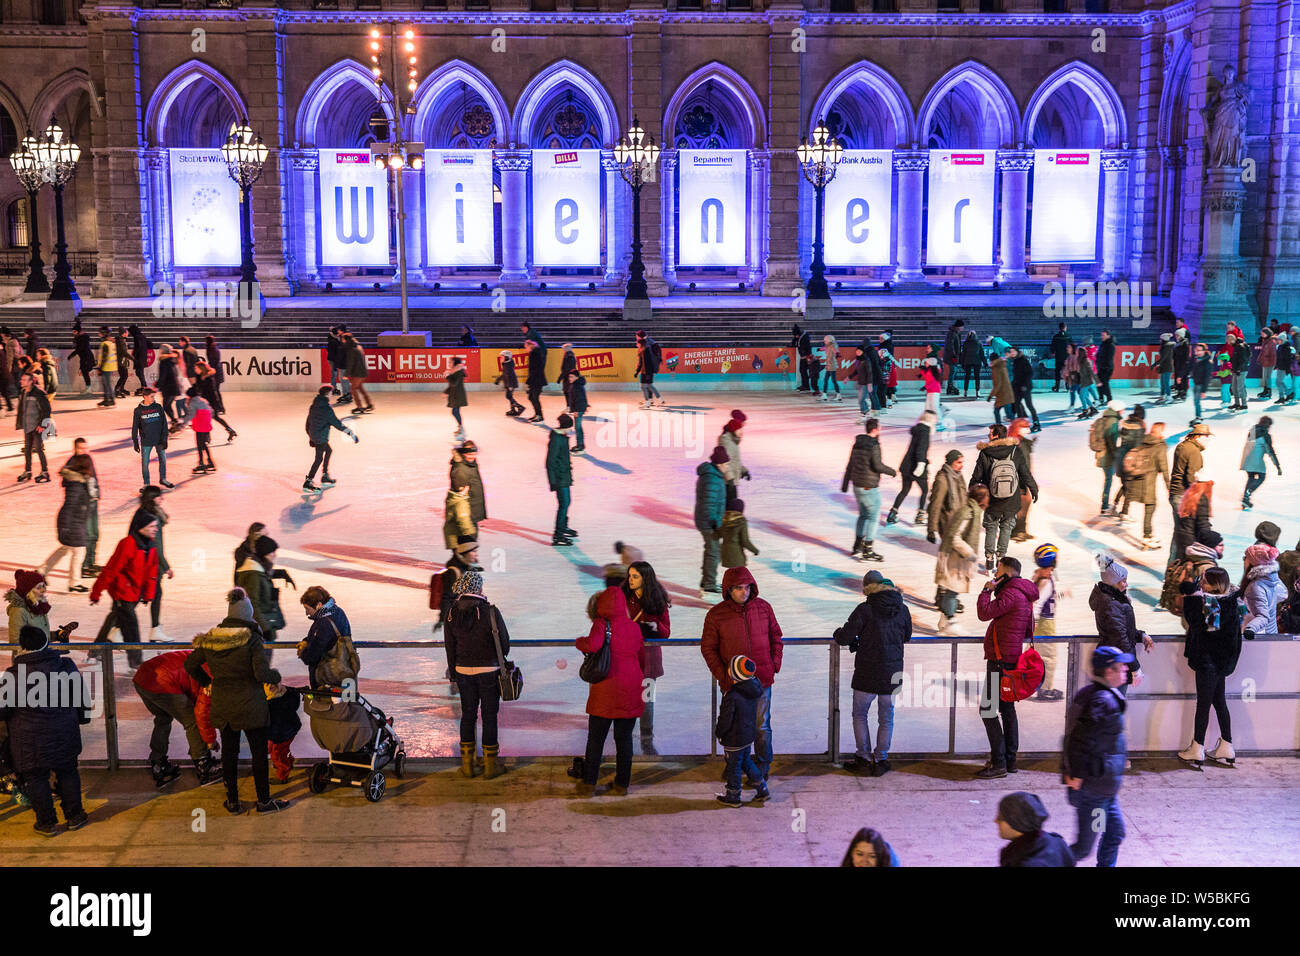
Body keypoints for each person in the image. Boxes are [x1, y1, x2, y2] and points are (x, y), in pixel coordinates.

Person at [185, 589, 289, 814]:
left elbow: (190, 664)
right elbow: (261, 674)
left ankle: (232, 802)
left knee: (229, 755)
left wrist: (207, 683)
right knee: (258, 754)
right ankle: (263, 801)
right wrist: (277, 678)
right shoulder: (251, 639)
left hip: (224, 704)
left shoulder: (212, 638)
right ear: (247, 616)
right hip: (251, 704)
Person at [0, 626, 93, 835]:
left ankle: (46, 822)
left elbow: (2, 709)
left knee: (36, 778)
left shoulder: (13, 674)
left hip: (28, 739)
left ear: (22, 647)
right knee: (67, 771)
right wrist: (83, 717)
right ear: (46, 643)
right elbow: (80, 696)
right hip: (63, 732)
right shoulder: (66, 666)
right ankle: (75, 815)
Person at [701, 566, 782, 792]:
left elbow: (776, 636)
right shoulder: (716, 615)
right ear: (728, 589)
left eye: (747, 587)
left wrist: (774, 664)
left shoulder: (763, 608)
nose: (744, 592)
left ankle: (762, 766)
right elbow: (709, 649)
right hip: (734, 685)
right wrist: (725, 677)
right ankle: (735, 766)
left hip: (762, 680)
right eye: (738, 588)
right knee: (735, 727)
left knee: (761, 726)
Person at [834, 570, 911, 776]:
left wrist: (840, 634)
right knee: (886, 718)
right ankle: (881, 760)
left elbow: (844, 637)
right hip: (892, 673)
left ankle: (863, 757)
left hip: (867, 672)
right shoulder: (902, 608)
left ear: (867, 588)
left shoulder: (865, 609)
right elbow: (907, 636)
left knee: (860, 715)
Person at [1063, 645, 1132, 867]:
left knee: (1115, 833)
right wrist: (1075, 774)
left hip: (1104, 789)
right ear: (1108, 671)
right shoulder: (1104, 702)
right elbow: (1079, 741)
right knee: (1083, 848)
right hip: (1095, 790)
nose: (1125, 670)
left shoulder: (1094, 695)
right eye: (1121, 666)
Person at [574, 581, 645, 796]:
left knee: (596, 739)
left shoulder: (601, 624)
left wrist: (579, 642)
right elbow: (641, 657)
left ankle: (588, 785)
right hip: (631, 688)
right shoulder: (634, 626)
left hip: (605, 690)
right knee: (624, 740)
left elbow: (593, 645)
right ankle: (622, 785)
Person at [974, 556, 1038, 778]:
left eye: (997, 571)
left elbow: (984, 613)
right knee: (1007, 710)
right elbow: (1029, 629)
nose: (994, 576)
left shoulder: (1010, 594)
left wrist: (986, 590)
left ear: (1007, 574)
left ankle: (999, 762)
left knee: (988, 710)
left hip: (1000, 662)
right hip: (1012, 660)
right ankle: (1010, 761)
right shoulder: (1023, 595)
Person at [443, 570, 509, 780]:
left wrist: (454, 673)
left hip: (463, 673)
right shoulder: (491, 611)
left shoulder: (452, 613)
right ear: (478, 588)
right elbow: (505, 646)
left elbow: (449, 647)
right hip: (489, 672)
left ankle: (468, 766)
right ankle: (491, 767)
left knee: (468, 716)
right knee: (489, 717)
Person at [1178, 566, 1243, 769]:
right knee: (1219, 702)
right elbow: (1239, 626)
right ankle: (1226, 744)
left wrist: (1190, 598)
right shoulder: (1233, 601)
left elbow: (1197, 625)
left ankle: (1197, 748)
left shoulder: (1209, 603)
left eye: (1204, 580)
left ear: (1213, 584)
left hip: (1208, 662)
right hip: (1222, 662)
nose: (1201, 583)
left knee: (1204, 705)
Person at [131, 649, 220, 787]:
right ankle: (204, 766)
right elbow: (201, 712)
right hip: (162, 681)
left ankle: (159, 764)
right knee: (192, 721)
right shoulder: (213, 674)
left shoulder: (205, 657)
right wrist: (210, 740)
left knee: (163, 718)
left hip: (143, 678)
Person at [90, 512, 160, 669]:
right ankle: (136, 661)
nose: (156, 529)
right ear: (142, 528)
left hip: (135, 592)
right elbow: (111, 569)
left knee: (115, 620)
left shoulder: (151, 546)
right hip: (122, 592)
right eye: (152, 526)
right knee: (131, 627)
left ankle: (96, 650)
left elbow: (152, 572)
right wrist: (97, 591)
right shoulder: (128, 544)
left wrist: (148, 594)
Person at [969, 422, 1037, 571]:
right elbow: (1024, 473)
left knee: (991, 528)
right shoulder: (1015, 451)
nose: (988, 436)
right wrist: (1033, 488)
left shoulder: (985, 453)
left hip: (991, 500)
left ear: (996, 435)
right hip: (1011, 498)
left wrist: (972, 493)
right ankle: (1001, 557)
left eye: (990, 433)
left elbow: (977, 477)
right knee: (1006, 528)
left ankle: (989, 558)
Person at [622, 560, 670, 750]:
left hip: (649, 662)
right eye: (630, 576)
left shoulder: (657, 600)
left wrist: (653, 627)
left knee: (647, 701)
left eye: (635, 576)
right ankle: (624, 736)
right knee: (625, 699)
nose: (630, 580)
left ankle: (646, 739)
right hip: (626, 660)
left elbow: (666, 632)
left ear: (645, 578)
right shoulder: (624, 598)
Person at [1090, 553, 1153, 694]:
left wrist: (1141, 636)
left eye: (1126, 580)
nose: (1126, 584)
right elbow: (1119, 638)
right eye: (1122, 581)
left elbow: (1123, 629)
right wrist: (1135, 668)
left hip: (1117, 661)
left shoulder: (1116, 600)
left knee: (1114, 704)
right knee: (1112, 705)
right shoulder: (1110, 604)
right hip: (1114, 665)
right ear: (1112, 582)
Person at [38, 454, 94, 594]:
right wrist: (66, 527)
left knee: (66, 548)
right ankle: (74, 582)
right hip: (71, 522)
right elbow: (70, 506)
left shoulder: (80, 481)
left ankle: (41, 572)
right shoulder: (76, 484)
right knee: (79, 551)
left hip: (74, 521)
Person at [842, 418, 896, 562]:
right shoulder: (874, 445)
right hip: (869, 486)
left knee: (863, 515)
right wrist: (892, 471)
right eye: (879, 428)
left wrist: (845, 483)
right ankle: (868, 550)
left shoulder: (857, 443)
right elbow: (877, 466)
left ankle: (857, 546)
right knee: (873, 517)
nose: (880, 430)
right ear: (874, 429)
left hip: (857, 485)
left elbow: (850, 464)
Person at [935, 483, 986, 635]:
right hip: (954, 558)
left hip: (956, 557)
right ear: (981, 498)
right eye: (987, 496)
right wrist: (969, 553)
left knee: (952, 588)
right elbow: (954, 536)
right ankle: (950, 621)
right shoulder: (968, 512)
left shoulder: (972, 510)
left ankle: (945, 620)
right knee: (952, 588)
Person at [715, 655, 763, 807]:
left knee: (733, 766)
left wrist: (719, 733)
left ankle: (733, 796)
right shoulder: (753, 690)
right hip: (748, 735)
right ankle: (762, 788)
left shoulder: (732, 695)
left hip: (734, 738)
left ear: (733, 674)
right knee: (746, 761)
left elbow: (725, 719)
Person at [234, 535, 294, 652]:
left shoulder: (258, 569)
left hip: (261, 627)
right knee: (260, 666)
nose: (275, 555)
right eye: (272, 552)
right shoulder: (253, 574)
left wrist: (282, 573)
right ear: (264, 554)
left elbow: (264, 575)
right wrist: (265, 630)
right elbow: (252, 604)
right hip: (257, 632)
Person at [1119, 419, 1170, 549]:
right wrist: (1169, 486)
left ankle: (1126, 515)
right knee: (1150, 506)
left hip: (1137, 478)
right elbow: (1163, 467)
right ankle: (1147, 536)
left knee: (1147, 506)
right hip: (1148, 481)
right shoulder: (1160, 445)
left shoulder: (1143, 440)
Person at [296, 585, 356, 689]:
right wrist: (307, 640)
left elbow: (312, 656)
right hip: (345, 670)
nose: (306, 613)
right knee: (346, 702)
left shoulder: (323, 623)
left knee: (328, 704)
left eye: (307, 608)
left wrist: (303, 651)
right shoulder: (337, 611)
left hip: (328, 678)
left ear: (319, 605)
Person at [996, 791, 1074, 867]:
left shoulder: (1026, 862)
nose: (995, 821)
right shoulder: (1057, 842)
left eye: (1000, 818)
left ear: (1015, 822)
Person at [303, 385, 358, 491]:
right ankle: (308, 481)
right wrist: (350, 433)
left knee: (328, 451)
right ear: (327, 394)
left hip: (315, 435)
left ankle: (324, 475)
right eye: (331, 392)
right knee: (319, 458)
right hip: (321, 437)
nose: (332, 394)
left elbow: (308, 422)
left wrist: (310, 437)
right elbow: (337, 424)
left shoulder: (313, 405)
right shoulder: (327, 409)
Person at [1030, 544, 1065, 701]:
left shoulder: (1040, 577)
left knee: (1033, 654)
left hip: (1041, 622)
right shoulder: (1045, 581)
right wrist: (1034, 621)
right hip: (1044, 624)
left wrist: (1060, 594)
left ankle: (1024, 681)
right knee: (1048, 656)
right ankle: (1045, 689)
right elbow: (1037, 603)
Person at [887, 410, 934, 526]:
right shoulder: (925, 432)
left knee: (905, 490)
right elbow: (920, 450)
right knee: (925, 491)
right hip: (916, 467)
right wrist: (922, 464)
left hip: (906, 466)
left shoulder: (917, 430)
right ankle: (920, 517)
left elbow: (915, 449)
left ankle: (892, 513)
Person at [694, 445, 729, 593]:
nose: (727, 467)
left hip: (707, 520)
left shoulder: (713, 475)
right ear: (720, 464)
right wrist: (714, 521)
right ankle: (709, 584)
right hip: (709, 522)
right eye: (726, 464)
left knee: (711, 550)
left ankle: (706, 581)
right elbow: (708, 502)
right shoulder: (712, 479)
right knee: (714, 552)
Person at [65, 439, 101, 579]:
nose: (84, 451)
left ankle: (91, 563)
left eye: (86, 448)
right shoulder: (72, 463)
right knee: (88, 535)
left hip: (92, 503)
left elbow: (94, 478)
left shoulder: (88, 459)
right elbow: (67, 483)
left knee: (95, 534)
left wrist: (97, 494)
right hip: (82, 506)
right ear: (75, 448)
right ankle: (84, 567)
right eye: (81, 448)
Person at [131, 388, 173, 490]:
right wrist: (135, 442)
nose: (154, 398)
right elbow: (135, 427)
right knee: (145, 463)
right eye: (152, 396)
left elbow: (164, 424)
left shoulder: (158, 407)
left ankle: (163, 479)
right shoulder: (138, 411)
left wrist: (165, 439)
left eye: (154, 396)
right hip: (146, 441)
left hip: (159, 440)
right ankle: (146, 484)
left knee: (163, 460)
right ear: (145, 396)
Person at [1240, 543, 1287, 635]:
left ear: (1252, 562)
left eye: (1245, 558)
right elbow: (1283, 595)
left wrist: (1250, 629)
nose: (1243, 560)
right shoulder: (1272, 580)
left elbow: (1262, 616)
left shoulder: (1256, 586)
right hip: (1270, 633)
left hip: (1257, 636)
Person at [14, 372, 52, 483]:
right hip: (27, 425)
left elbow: (47, 410)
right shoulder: (23, 392)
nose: (21, 381)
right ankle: (28, 471)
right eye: (22, 379)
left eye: (24, 380)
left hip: (37, 427)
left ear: (31, 381)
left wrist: (42, 425)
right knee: (27, 450)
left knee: (39, 449)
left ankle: (45, 472)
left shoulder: (39, 393)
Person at [546, 413, 576, 547]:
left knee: (566, 503)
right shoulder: (557, 440)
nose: (571, 430)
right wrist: (553, 482)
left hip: (564, 476)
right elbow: (550, 462)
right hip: (560, 478)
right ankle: (558, 535)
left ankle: (563, 527)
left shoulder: (562, 437)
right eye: (570, 427)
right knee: (563, 505)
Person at [1240, 416, 1282, 510]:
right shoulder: (1265, 435)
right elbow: (1270, 451)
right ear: (1268, 425)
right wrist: (1278, 466)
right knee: (1261, 477)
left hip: (1246, 459)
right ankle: (1247, 495)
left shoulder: (1253, 430)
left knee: (1251, 478)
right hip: (1256, 461)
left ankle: (1245, 500)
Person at [1090, 400, 1124, 515]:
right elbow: (1112, 441)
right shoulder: (1113, 421)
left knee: (1108, 479)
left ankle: (1105, 505)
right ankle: (1105, 506)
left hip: (1101, 454)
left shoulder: (1104, 419)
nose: (1123, 411)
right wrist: (1117, 455)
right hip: (1108, 456)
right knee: (1110, 480)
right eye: (1122, 409)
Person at [926, 449, 967, 547]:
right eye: (958, 462)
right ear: (951, 462)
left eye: (962, 462)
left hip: (959, 520)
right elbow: (935, 504)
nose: (961, 465)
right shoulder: (942, 480)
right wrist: (932, 529)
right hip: (947, 523)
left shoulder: (958, 476)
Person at [264, 682, 301, 785]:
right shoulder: (287, 693)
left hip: (281, 735)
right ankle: (289, 761)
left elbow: (275, 726)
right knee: (284, 750)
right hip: (292, 728)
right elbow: (294, 693)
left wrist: (270, 741)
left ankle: (282, 776)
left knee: (277, 755)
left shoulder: (273, 704)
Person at [174, 385, 216, 474]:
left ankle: (201, 464)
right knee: (204, 444)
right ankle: (210, 462)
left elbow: (190, 415)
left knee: (200, 445)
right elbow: (212, 412)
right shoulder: (203, 400)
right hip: (206, 426)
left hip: (200, 426)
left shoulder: (193, 402)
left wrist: (182, 424)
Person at [450, 439, 487, 532]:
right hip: (466, 508)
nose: (472, 456)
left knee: (472, 537)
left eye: (474, 454)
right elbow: (459, 493)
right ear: (463, 453)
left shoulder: (471, 464)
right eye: (469, 454)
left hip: (473, 505)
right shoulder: (460, 468)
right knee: (467, 537)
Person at [6, 569, 52, 642]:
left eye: (43, 586)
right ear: (27, 591)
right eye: (39, 587)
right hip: (28, 653)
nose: (43, 590)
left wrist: (57, 635)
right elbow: (15, 642)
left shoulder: (38, 607)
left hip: (41, 652)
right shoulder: (19, 611)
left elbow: (39, 636)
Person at [717, 409, 749, 506]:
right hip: (727, 482)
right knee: (730, 506)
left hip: (731, 481)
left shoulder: (732, 442)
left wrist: (743, 470)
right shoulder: (727, 442)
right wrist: (730, 479)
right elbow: (724, 462)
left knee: (731, 506)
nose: (742, 431)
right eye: (739, 429)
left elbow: (734, 461)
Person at [718, 498, 759, 569]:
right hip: (737, 555)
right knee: (740, 577)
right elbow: (745, 541)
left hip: (725, 554)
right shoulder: (741, 522)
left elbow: (717, 535)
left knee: (730, 576)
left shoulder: (723, 520)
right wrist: (755, 550)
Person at [1007, 347, 1039, 431]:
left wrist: (1025, 385)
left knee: (1029, 405)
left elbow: (1030, 373)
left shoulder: (1023, 360)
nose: (1012, 353)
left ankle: (1036, 424)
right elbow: (1016, 376)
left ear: (1017, 352)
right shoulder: (1014, 361)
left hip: (1025, 387)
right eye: (1011, 352)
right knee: (1017, 404)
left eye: (1014, 351)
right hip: (1017, 387)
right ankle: (1021, 423)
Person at [343, 332, 374, 414]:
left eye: (342, 339)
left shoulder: (351, 349)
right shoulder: (357, 346)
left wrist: (346, 374)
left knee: (353, 389)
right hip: (361, 371)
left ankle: (359, 406)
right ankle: (369, 404)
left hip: (358, 372)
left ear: (345, 340)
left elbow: (350, 362)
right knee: (360, 388)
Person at [634, 330, 665, 407]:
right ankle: (650, 399)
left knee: (647, 385)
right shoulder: (649, 342)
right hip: (650, 368)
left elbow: (646, 360)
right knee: (648, 385)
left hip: (648, 368)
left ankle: (649, 400)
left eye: (637, 337)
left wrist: (640, 370)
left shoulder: (646, 346)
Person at [155, 344, 183, 424]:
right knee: (168, 405)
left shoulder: (164, 362)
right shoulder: (172, 360)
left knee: (166, 406)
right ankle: (174, 421)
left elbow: (163, 376)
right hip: (173, 386)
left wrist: (157, 385)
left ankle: (175, 421)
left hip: (168, 387)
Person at [847, 345, 875, 423]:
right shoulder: (859, 360)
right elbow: (856, 371)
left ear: (863, 352)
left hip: (865, 384)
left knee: (861, 400)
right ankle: (867, 413)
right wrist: (849, 377)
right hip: (861, 383)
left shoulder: (866, 360)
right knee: (861, 400)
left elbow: (869, 373)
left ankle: (864, 415)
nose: (857, 352)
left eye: (859, 351)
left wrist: (869, 383)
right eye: (857, 351)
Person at [494, 350, 525, 417]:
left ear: (507, 357)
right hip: (509, 383)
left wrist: (510, 385)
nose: (500, 358)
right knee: (510, 396)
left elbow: (509, 375)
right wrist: (498, 380)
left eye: (502, 357)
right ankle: (513, 410)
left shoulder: (508, 366)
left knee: (508, 396)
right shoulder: (506, 364)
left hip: (511, 383)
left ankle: (520, 407)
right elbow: (504, 374)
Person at [524, 338, 547, 422]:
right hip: (535, 379)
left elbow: (535, 369)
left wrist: (529, 381)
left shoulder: (534, 354)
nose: (525, 349)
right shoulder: (535, 353)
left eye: (525, 347)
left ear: (530, 346)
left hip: (537, 380)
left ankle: (540, 416)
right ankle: (537, 414)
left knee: (534, 397)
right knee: (531, 397)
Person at [566, 368, 589, 454]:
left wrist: (577, 410)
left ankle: (580, 446)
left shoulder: (577, 386)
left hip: (578, 409)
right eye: (569, 377)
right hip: (579, 408)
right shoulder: (576, 384)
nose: (570, 379)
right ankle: (580, 445)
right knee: (578, 427)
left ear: (576, 377)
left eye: (571, 377)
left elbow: (580, 399)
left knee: (578, 428)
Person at [326, 326, 350, 402]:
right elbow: (333, 352)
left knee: (341, 378)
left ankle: (346, 394)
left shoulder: (339, 341)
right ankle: (342, 392)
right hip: (336, 361)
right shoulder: (334, 341)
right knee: (337, 376)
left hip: (340, 362)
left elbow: (338, 353)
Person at [1228, 332, 1250, 411]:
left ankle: (1244, 404)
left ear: (1232, 340)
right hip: (1235, 370)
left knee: (1240, 387)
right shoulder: (1236, 347)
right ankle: (1237, 403)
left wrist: (1239, 369)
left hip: (1241, 370)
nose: (1228, 343)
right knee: (1234, 387)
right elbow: (1235, 359)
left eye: (1228, 341)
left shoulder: (1241, 347)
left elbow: (1243, 360)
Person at [95, 328, 117, 407]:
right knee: (105, 383)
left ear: (104, 334)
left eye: (100, 333)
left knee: (107, 384)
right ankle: (106, 399)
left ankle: (111, 400)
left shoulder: (105, 344)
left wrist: (100, 368)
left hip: (106, 367)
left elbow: (104, 357)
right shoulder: (111, 343)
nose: (99, 334)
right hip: (109, 366)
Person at [960, 330, 985, 397]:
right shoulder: (979, 342)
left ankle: (965, 391)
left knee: (967, 376)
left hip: (967, 361)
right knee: (977, 377)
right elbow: (982, 354)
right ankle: (977, 391)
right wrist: (985, 362)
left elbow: (963, 354)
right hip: (977, 361)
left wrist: (962, 362)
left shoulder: (965, 343)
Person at [1095, 329, 1116, 404]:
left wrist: (1100, 361)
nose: (1102, 337)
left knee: (1104, 383)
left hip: (1107, 368)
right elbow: (1099, 354)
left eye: (1103, 335)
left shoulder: (1111, 345)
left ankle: (1109, 398)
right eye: (1101, 335)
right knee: (1098, 383)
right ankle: (1101, 398)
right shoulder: (1102, 344)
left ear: (1108, 336)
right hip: (1100, 367)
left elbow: (1108, 357)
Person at [945, 319, 965, 395]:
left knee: (953, 371)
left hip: (954, 356)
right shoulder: (952, 333)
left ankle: (950, 386)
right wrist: (953, 355)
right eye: (962, 327)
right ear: (959, 326)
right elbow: (950, 345)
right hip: (951, 356)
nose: (963, 328)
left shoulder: (956, 333)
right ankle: (950, 387)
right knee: (953, 371)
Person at [819, 334, 842, 401]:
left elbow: (835, 350)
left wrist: (837, 353)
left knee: (833, 380)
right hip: (829, 365)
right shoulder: (828, 346)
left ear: (829, 340)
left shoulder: (833, 345)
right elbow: (824, 348)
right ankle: (824, 394)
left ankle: (838, 394)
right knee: (826, 380)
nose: (824, 342)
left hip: (832, 365)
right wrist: (820, 349)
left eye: (825, 341)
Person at [72, 325, 95, 391]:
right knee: (85, 373)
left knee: (85, 373)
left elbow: (79, 349)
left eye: (74, 331)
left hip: (87, 358)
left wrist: (71, 355)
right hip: (84, 358)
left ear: (78, 331)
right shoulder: (79, 338)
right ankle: (88, 388)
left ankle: (89, 389)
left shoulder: (82, 339)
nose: (73, 333)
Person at [1172, 327, 1191, 402]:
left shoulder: (1185, 344)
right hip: (1177, 364)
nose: (1176, 337)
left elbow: (1185, 356)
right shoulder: (1178, 343)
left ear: (1181, 336)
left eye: (1177, 335)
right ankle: (1179, 392)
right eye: (1176, 335)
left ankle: (1184, 393)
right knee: (1177, 378)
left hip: (1183, 364)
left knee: (1183, 378)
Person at [792, 323, 813, 391]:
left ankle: (806, 386)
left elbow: (808, 347)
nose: (796, 337)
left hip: (806, 357)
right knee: (802, 371)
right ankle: (804, 385)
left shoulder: (804, 337)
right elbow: (794, 343)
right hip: (803, 357)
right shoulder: (800, 337)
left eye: (796, 335)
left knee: (804, 371)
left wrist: (808, 357)